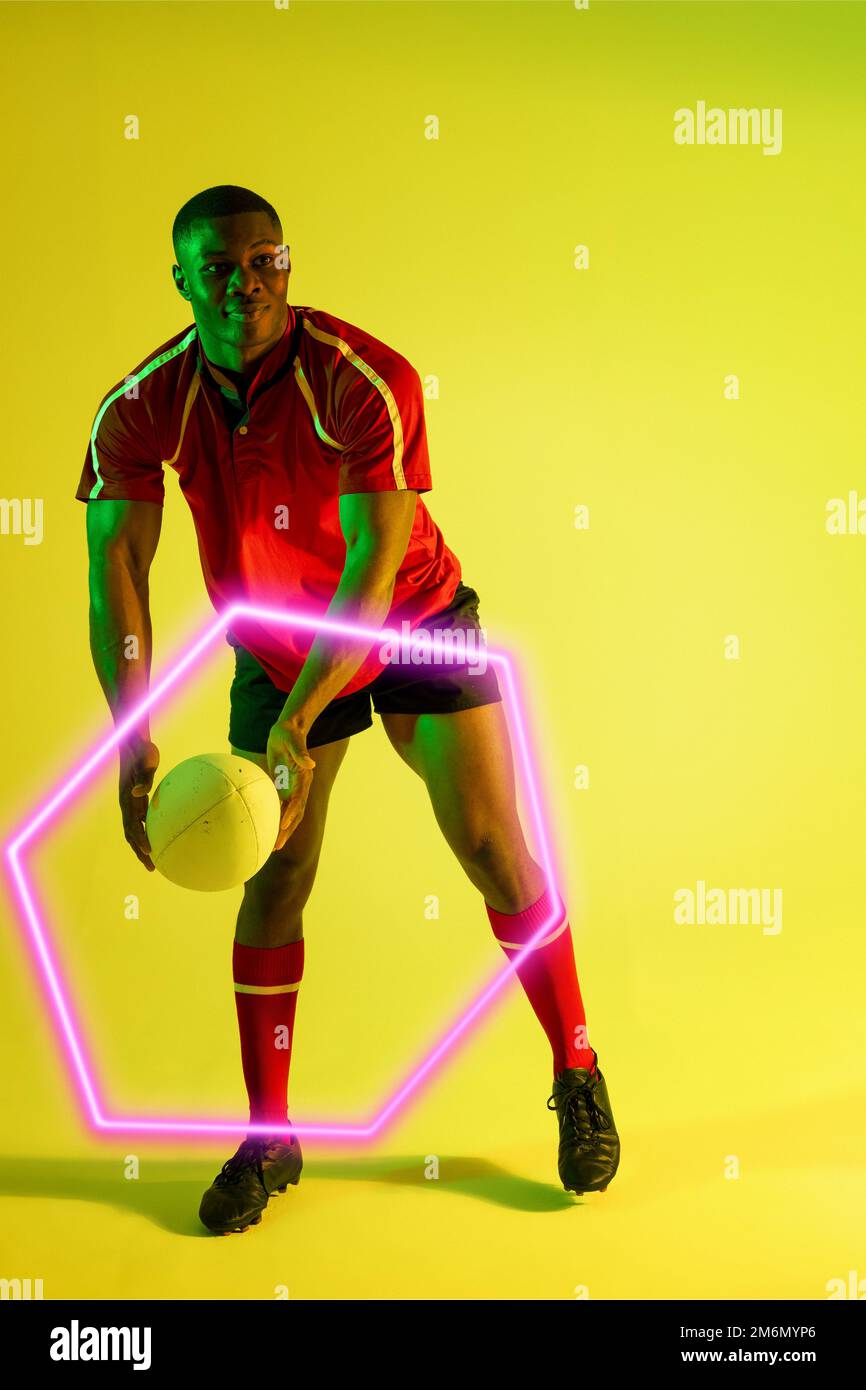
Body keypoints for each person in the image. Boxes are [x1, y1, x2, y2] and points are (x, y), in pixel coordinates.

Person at [77, 184, 620, 1235]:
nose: (244, 283)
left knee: (490, 847)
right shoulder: (143, 405)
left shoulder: (364, 378)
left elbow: (373, 565)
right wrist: (131, 736)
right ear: (182, 280)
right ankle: (269, 1134)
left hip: (410, 622)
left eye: (264, 260)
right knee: (275, 872)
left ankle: (578, 1066)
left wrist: (298, 721)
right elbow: (118, 581)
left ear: (288, 263)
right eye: (218, 267)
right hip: (275, 646)